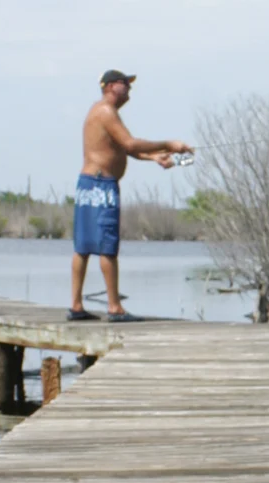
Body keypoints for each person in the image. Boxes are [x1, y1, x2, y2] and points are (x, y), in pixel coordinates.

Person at [69, 70, 193, 322]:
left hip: (88, 184)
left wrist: (154, 157)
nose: (129, 88)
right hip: (101, 186)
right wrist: (168, 144)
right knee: (106, 247)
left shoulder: (100, 111)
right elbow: (130, 144)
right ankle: (114, 308)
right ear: (110, 86)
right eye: (125, 83)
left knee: (83, 247)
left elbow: (123, 149)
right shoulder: (106, 111)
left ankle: (76, 306)